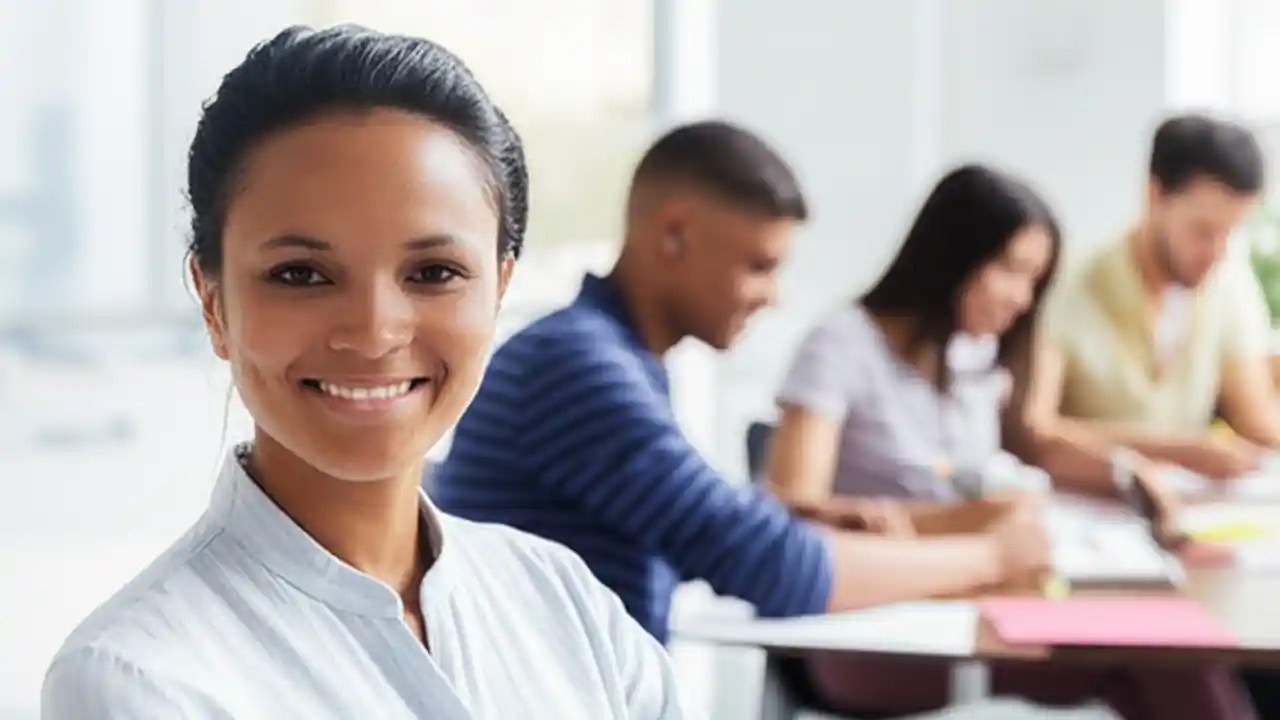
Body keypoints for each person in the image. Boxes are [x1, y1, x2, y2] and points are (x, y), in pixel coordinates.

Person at [42, 26, 686, 719]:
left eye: (433, 272)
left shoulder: (569, 608)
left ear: (499, 289)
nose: (375, 333)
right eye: (301, 274)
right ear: (213, 302)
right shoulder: (137, 678)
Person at [434, 122, 1053, 648]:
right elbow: (764, 567)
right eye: (760, 266)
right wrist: (995, 555)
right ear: (674, 234)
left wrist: (799, 518)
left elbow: (703, 523)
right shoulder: (577, 367)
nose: (773, 296)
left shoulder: (616, 360)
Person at [768, 164, 1254, 720]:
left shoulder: (969, 356)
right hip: (879, 630)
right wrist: (968, 523)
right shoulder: (840, 347)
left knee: (1168, 648)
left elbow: (1033, 448)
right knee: (1161, 657)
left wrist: (1129, 471)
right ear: (951, 256)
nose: (1022, 299)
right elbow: (791, 516)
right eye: (1011, 271)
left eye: (1034, 280)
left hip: (974, 602)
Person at [1031, 114, 1278, 483]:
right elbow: (1035, 432)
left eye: (1231, 232)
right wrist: (1184, 452)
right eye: (1202, 230)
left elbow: (1257, 420)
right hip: (1087, 504)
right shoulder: (1066, 282)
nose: (1217, 251)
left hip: (1186, 508)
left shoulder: (1229, 284)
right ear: (1154, 195)